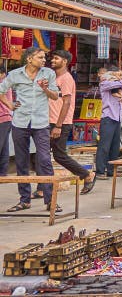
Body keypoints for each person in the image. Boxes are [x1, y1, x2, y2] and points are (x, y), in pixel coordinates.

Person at [0, 48, 59, 212]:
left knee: (45, 159)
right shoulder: (15, 74)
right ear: (29, 59)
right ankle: (24, 200)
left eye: (44, 57)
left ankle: (50, 200)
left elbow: (55, 96)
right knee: (21, 161)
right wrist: (10, 105)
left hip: (41, 123)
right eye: (40, 57)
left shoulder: (48, 73)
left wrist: (46, 89)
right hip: (20, 122)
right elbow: (1, 91)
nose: (44, 60)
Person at [40, 51, 96, 196]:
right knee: (43, 154)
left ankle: (86, 175)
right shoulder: (54, 78)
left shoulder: (66, 79)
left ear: (64, 61)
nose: (52, 60)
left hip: (60, 122)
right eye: (52, 58)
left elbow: (67, 102)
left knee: (58, 155)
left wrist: (59, 125)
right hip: (49, 120)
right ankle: (42, 187)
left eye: (56, 58)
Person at [95, 66, 122, 179]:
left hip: (117, 118)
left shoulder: (119, 84)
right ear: (111, 74)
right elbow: (114, 85)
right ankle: (99, 171)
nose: (120, 77)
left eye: (121, 75)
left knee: (114, 146)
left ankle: (111, 170)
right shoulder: (105, 84)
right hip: (108, 118)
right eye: (117, 75)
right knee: (104, 146)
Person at [0, 67, 12, 176]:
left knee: (2, 146)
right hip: (6, 119)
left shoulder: (3, 84)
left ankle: (3, 173)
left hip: (3, 118)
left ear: (3, 74)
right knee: (4, 147)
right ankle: (3, 174)